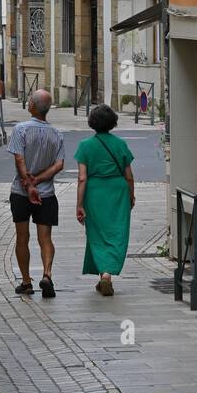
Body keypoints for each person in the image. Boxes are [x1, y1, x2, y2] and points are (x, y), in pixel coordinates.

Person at [8, 89, 64, 299]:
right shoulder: (56, 133)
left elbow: (19, 159)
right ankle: (47, 274)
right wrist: (39, 181)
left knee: (22, 237)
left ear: (31, 105)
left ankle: (26, 281)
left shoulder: (20, 130)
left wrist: (29, 184)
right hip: (47, 194)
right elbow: (59, 164)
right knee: (45, 238)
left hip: (21, 193)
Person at [75, 104, 135, 297]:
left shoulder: (85, 146)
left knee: (97, 233)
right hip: (118, 191)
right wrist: (131, 195)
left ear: (92, 123)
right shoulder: (120, 144)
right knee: (117, 233)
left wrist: (79, 204)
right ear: (113, 122)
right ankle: (107, 275)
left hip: (95, 192)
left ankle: (104, 275)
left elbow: (82, 178)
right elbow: (129, 176)